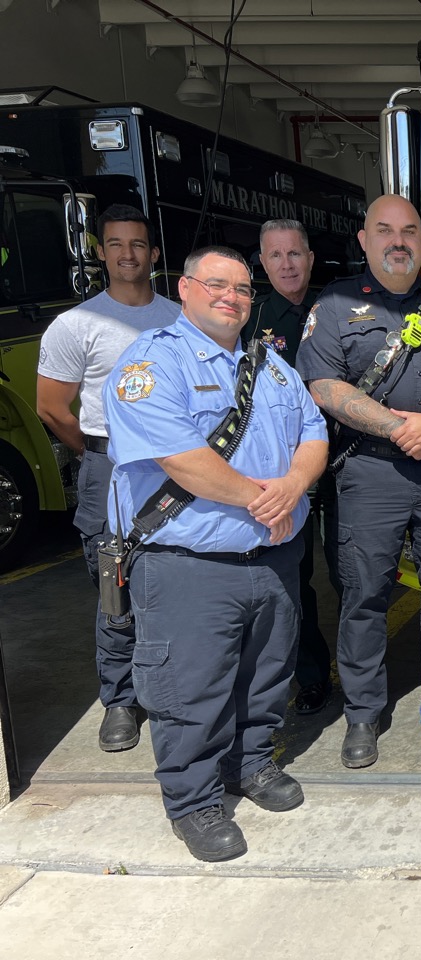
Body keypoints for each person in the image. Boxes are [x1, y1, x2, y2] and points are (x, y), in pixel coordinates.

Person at [102, 246, 328, 861]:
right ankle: (194, 801)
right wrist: (267, 497)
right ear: (185, 288)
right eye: (217, 285)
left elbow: (314, 431)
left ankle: (251, 764)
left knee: (265, 677)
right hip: (188, 567)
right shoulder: (151, 363)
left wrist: (294, 485)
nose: (231, 297)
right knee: (190, 689)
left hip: (272, 559)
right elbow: (179, 458)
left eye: (242, 289)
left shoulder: (272, 367)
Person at [296, 194, 421, 770]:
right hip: (370, 472)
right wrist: (398, 428)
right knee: (365, 594)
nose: (398, 241)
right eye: (384, 230)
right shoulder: (335, 305)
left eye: (409, 231)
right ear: (363, 240)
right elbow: (323, 386)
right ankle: (363, 713)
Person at [35, 204, 181, 753]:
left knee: (173, 578)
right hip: (109, 467)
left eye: (138, 244)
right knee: (112, 582)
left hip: (172, 469)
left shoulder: (178, 318)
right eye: (116, 244)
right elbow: (51, 406)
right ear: (101, 252)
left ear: (154, 254)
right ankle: (120, 700)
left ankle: (169, 688)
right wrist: (96, 453)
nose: (127, 254)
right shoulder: (76, 325)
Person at [243, 218, 332, 715]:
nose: (286, 264)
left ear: (310, 258)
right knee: (292, 580)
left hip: (339, 460)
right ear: (262, 262)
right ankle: (311, 676)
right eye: (274, 256)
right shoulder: (250, 319)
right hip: (284, 469)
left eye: (294, 253)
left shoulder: (338, 306)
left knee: (349, 577)